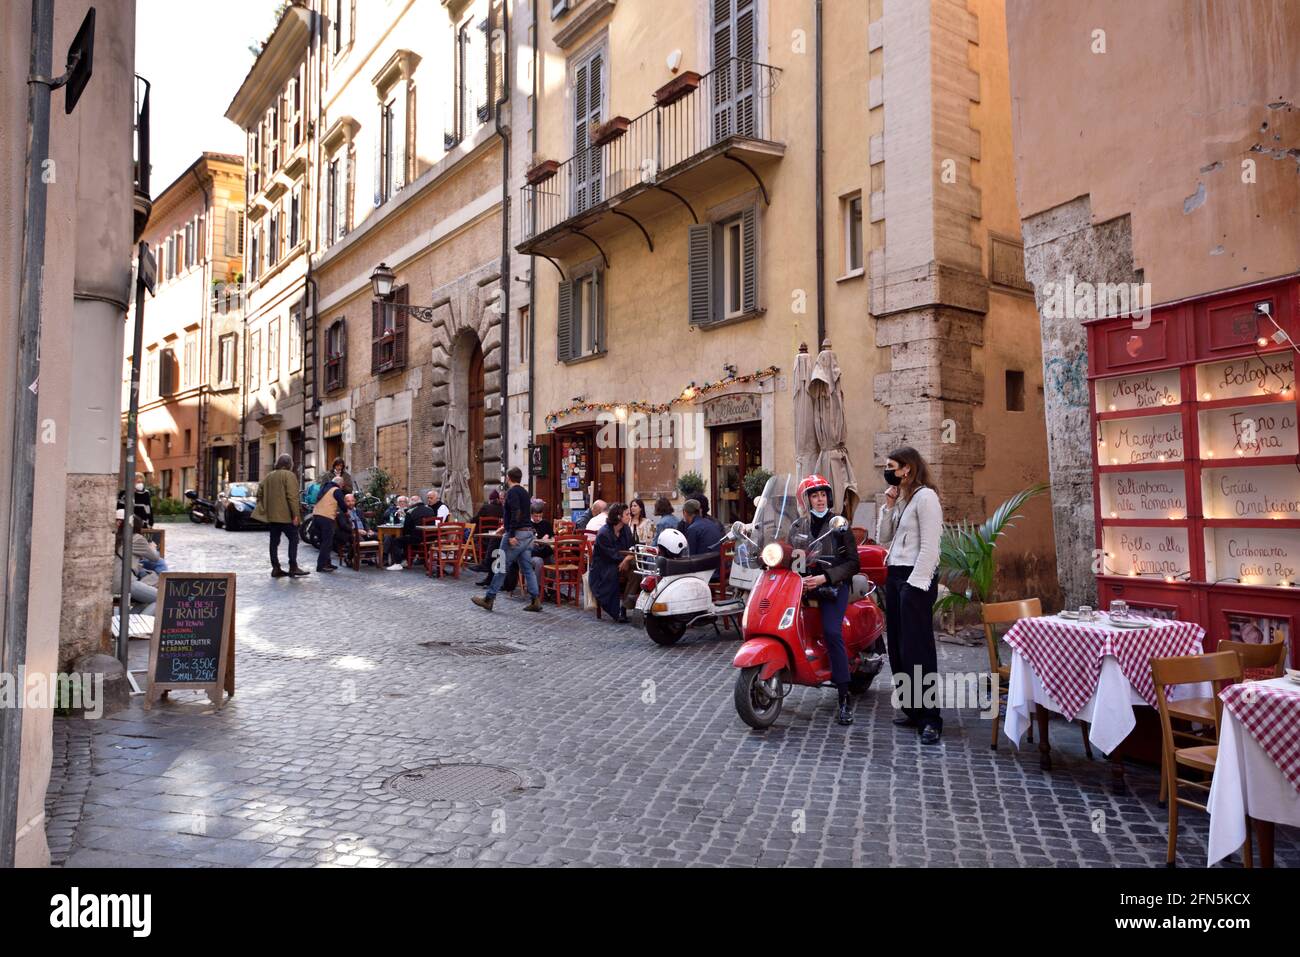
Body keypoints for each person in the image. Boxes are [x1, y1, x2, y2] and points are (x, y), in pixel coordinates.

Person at [875, 446, 944, 745]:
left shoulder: (927, 497)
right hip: (896, 575)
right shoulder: (905, 500)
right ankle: (912, 709)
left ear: (907, 468)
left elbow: (931, 545)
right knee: (899, 649)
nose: (887, 470)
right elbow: (883, 538)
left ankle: (930, 718)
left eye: (892, 465)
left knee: (919, 649)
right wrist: (889, 505)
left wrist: (916, 585)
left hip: (915, 578)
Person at [790, 473, 862, 726]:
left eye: (822, 495)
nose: (819, 500)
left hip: (834, 585)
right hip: (805, 585)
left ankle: (844, 697)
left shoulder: (840, 524)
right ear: (806, 499)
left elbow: (853, 563)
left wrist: (824, 579)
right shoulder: (798, 526)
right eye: (814, 495)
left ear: (828, 497)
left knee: (832, 632)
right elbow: (794, 557)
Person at [472, 467, 543, 613]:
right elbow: (522, 513)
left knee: (501, 566)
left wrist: (510, 535)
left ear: (509, 478)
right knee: (527, 568)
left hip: (516, 534)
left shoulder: (511, 492)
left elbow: (515, 512)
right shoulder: (525, 492)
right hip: (528, 534)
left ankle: (489, 599)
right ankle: (535, 600)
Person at [252, 453, 308, 578]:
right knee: (294, 539)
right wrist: (296, 515)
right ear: (289, 464)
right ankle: (293, 566)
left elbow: (259, 493)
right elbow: (292, 497)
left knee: (274, 542)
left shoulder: (269, 476)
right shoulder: (289, 475)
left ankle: (276, 568)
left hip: (273, 517)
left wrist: (265, 507)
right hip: (287, 516)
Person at [589, 502, 634, 622]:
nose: (630, 516)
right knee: (612, 573)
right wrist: (626, 558)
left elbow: (631, 548)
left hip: (620, 562)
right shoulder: (604, 533)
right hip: (603, 567)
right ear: (619, 517)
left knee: (636, 572)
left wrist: (628, 558)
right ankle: (615, 611)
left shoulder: (626, 529)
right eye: (627, 514)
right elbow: (611, 555)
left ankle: (625, 606)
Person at [386, 491, 438, 569]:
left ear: (411, 503)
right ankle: (407, 560)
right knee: (408, 538)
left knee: (397, 540)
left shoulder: (411, 511)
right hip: (431, 537)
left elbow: (406, 528)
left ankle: (397, 563)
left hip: (418, 538)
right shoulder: (430, 509)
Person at [310, 476, 348, 572]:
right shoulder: (336, 490)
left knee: (324, 542)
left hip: (316, 516)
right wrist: (346, 511)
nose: (342, 487)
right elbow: (343, 505)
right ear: (340, 484)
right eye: (342, 485)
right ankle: (321, 566)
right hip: (326, 518)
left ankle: (327, 563)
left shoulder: (324, 488)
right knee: (327, 542)